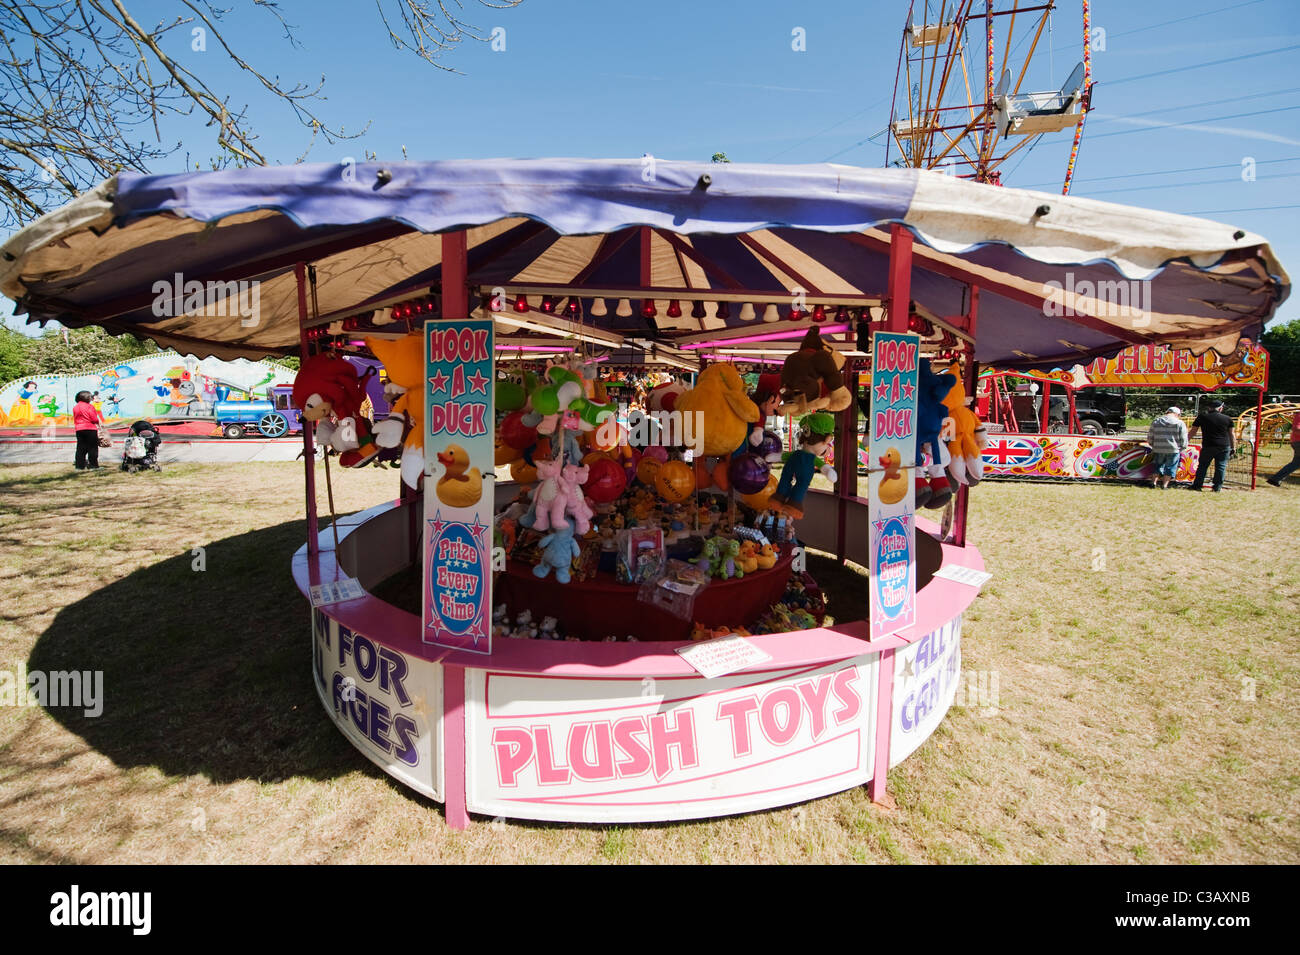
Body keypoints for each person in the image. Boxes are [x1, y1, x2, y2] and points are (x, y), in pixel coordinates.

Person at [1188, 398, 1235, 492]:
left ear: (1209, 408)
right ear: (1220, 408)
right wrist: (1233, 447)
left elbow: (1193, 431)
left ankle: (1197, 485)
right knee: (1221, 466)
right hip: (1224, 446)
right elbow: (1232, 434)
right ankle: (1217, 487)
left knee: (1203, 466)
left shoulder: (1202, 417)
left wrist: (1186, 441)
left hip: (1208, 445)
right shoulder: (1227, 418)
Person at [1146, 406, 1187, 489]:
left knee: (1157, 465)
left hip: (1158, 448)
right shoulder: (1179, 423)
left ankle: (1153, 483)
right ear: (1177, 414)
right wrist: (1183, 447)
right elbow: (1183, 437)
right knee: (1170, 467)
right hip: (1173, 449)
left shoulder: (1156, 421)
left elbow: (1150, 435)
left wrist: (1152, 444)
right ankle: (1164, 485)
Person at [72, 390, 106, 470]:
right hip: (90, 429)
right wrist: (99, 423)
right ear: (87, 398)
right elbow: (94, 419)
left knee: (80, 448)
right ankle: (93, 465)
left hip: (79, 429)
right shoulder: (90, 406)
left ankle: (79, 466)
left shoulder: (75, 407)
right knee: (92, 448)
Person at [1266, 410, 1300, 487]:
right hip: (1298, 442)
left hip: (1296, 442)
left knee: (1295, 463)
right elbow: (1296, 429)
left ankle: (1275, 479)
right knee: (1296, 463)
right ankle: (1275, 479)